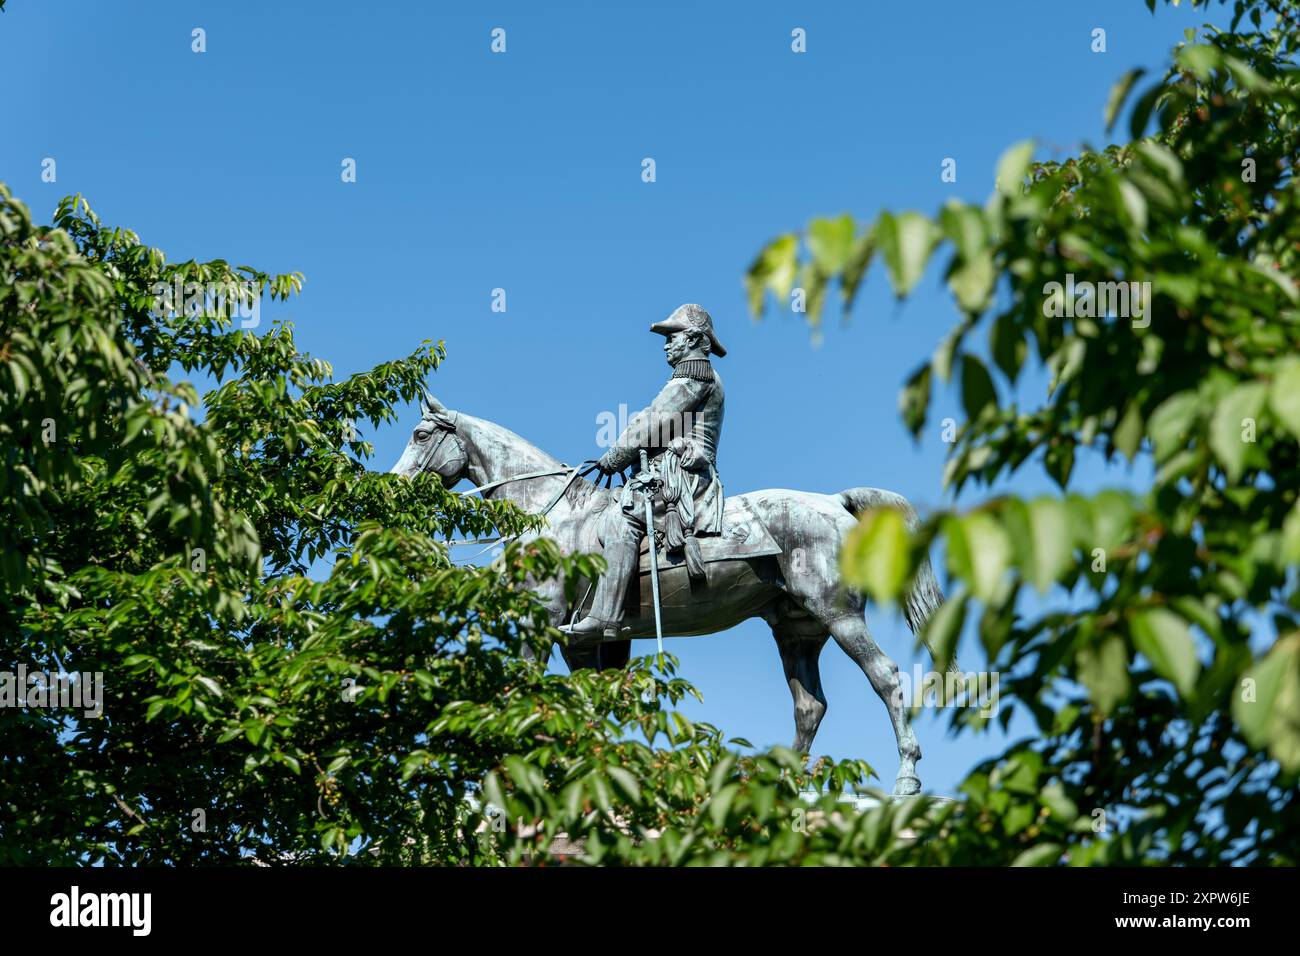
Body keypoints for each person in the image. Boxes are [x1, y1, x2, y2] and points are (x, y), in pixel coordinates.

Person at [565, 303, 727, 639]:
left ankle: (605, 617)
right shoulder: (690, 376)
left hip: (680, 474)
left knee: (621, 517)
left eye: (673, 336)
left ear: (695, 338)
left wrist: (614, 457)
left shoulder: (695, 375)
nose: (667, 344)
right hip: (673, 469)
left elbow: (655, 421)